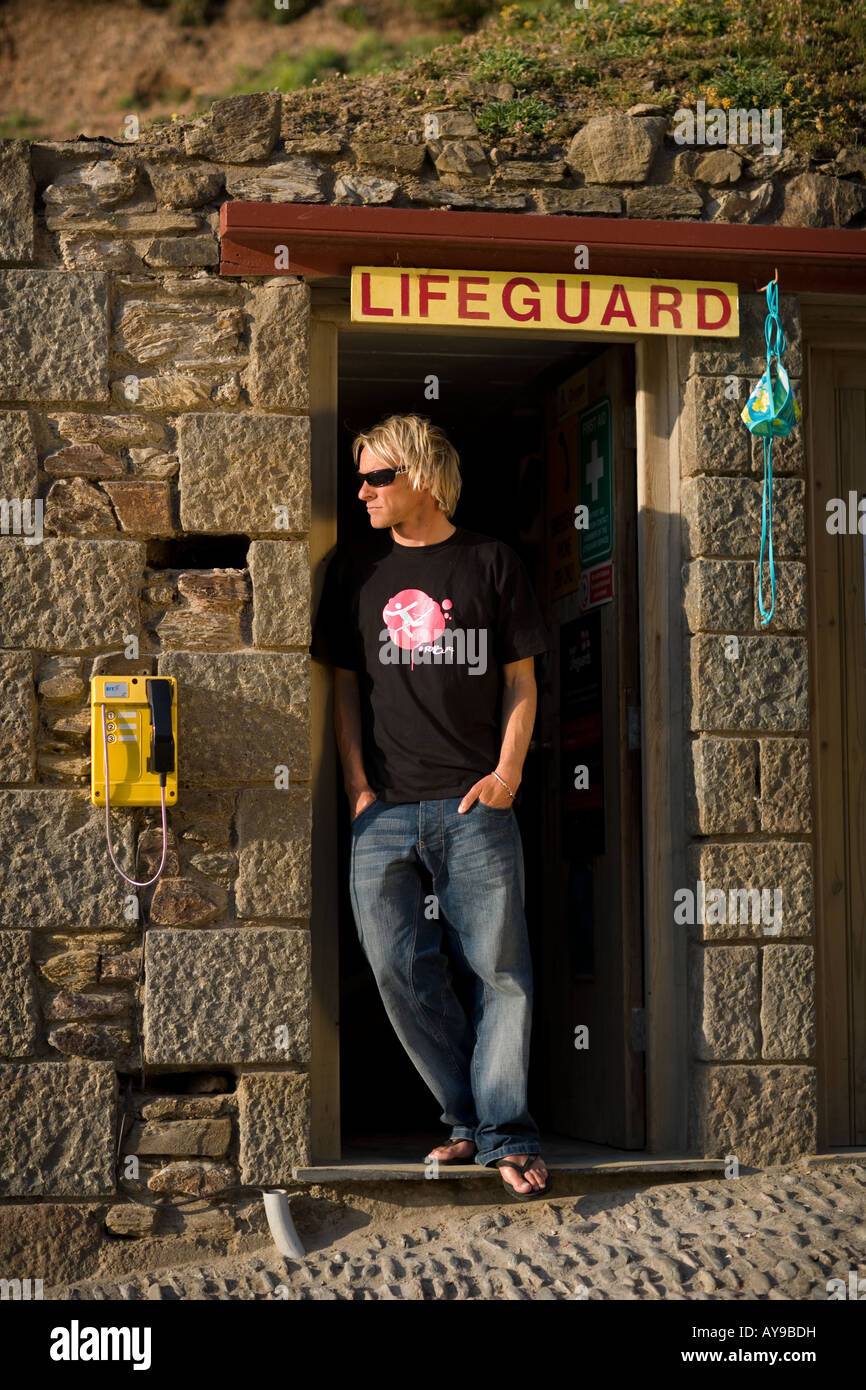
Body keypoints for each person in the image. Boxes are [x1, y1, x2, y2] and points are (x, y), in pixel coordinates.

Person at [311, 413, 552, 1200]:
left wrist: (507, 777)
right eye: (362, 478)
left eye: (378, 477)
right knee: (396, 970)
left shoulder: (491, 562)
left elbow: (521, 680)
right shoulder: (355, 568)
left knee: (500, 973)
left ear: (422, 475)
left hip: (475, 805)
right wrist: (356, 787)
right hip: (382, 812)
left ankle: (506, 1134)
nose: (363, 492)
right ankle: (466, 1118)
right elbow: (344, 686)